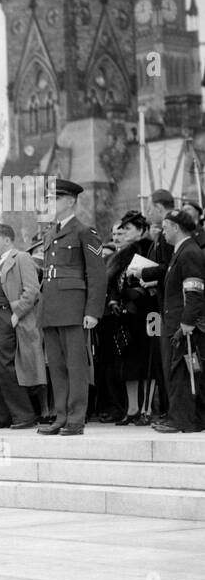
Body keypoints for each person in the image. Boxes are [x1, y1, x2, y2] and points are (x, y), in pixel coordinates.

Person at [36, 179, 105, 436]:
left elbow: (97, 274)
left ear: (70, 201)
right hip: (52, 307)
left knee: (76, 366)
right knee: (56, 366)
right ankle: (61, 415)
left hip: (75, 308)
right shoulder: (51, 233)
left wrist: (92, 311)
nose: (49, 203)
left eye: (54, 198)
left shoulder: (86, 232)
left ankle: (76, 418)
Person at [138, 208, 205, 432]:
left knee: (184, 374)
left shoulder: (189, 253)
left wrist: (187, 322)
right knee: (181, 372)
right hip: (177, 323)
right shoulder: (181, 251)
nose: (163, 233)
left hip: (184, 326)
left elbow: (194, 292)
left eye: (165, 228)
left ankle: (183, 421)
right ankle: (188, 418)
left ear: (176, 228)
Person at [0, 223, 45, 429]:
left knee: (8, 367)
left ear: (7, 240)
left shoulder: (21, 258)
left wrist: (16, 315)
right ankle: (2, 416)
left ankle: (24, 415)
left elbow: (32, 290)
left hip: (7, 317)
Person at [98, 212, 156, 425]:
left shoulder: (150, 248)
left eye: (128, 229)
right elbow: (113, 283)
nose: (122, 234)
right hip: (124, 316)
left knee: (147, 361)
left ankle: (147, 409)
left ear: (141, 230)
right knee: (128, 363)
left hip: (147, 313)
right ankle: (132, 409)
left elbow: (156, 278)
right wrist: (114, 301)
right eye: (121, 230)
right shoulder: (120, 255)